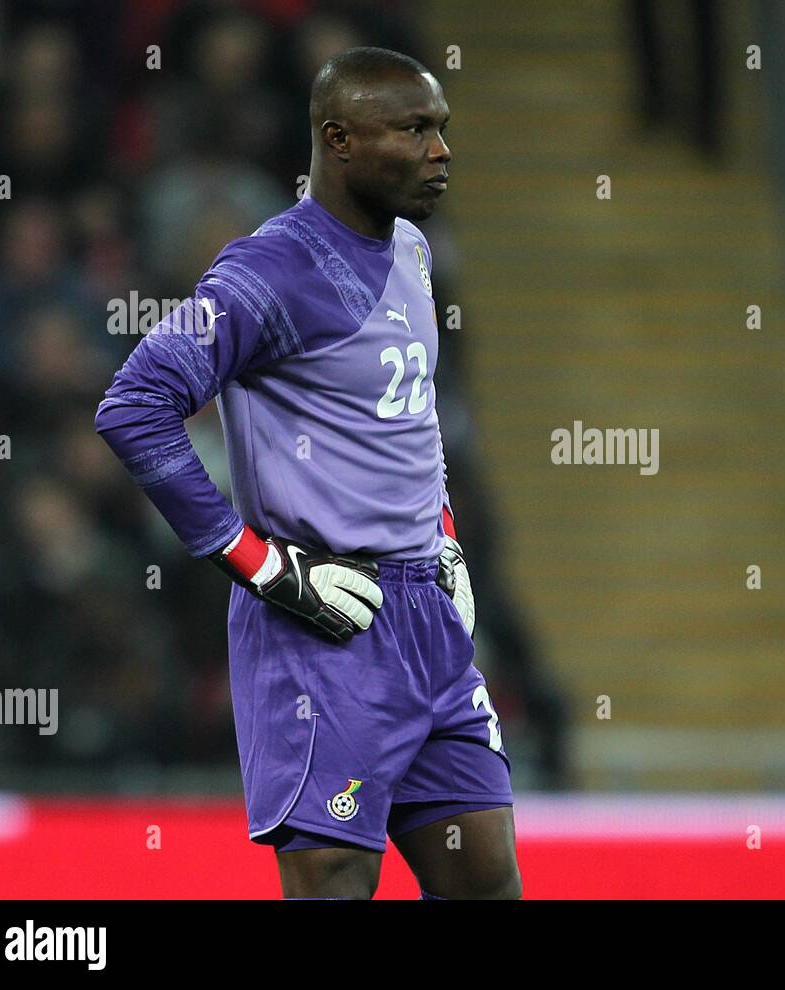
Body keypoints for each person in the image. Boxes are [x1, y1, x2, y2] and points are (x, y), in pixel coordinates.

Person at [94, 47, 520, 900]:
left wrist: (444, 540)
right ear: (339, 139)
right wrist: (262, 567)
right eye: (415, 130)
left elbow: (407, 420)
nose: (442, 152)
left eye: (442, 129)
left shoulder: (411, 249)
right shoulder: (269, 270)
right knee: (334, 888)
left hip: (427, 620)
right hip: (319, 627)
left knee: (486, 886)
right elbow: (134, 403)